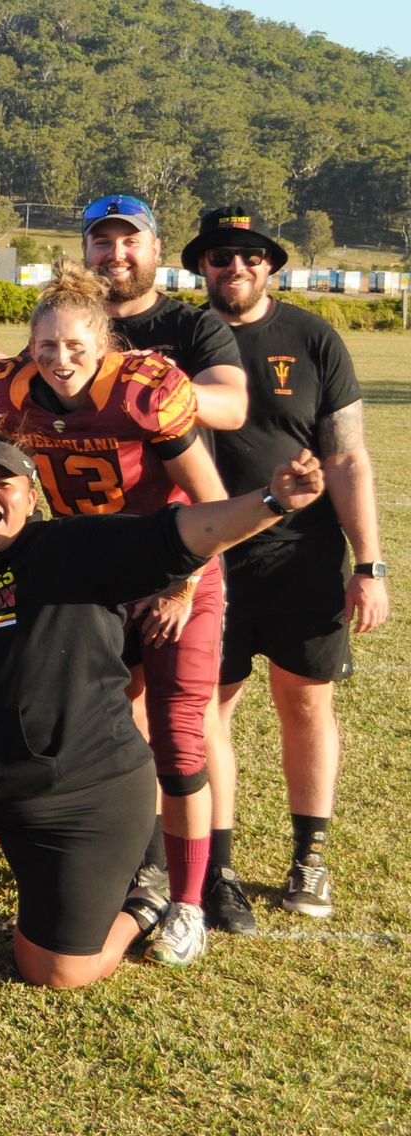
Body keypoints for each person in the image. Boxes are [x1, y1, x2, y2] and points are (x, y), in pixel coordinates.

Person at [0, 435, 327, 989]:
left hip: (77, 797)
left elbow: (184, 535)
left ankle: (144, 905)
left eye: (3, 483)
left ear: (31, 497)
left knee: (56, 971)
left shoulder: (72, 548)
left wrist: (271, 503)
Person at [0, 263, 228, 965]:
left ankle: (188, 903)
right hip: (84, 575)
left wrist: (182, 587)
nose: (59, 361)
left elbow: (213, 503)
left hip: (172, 570)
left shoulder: (145, 390)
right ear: (27, 349)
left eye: (74, 348)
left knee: (179, 736)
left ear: (104, 349)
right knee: (44, 722)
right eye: (46, 348)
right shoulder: (6, 392)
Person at [191, 205, 387, 927]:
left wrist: (370, 564)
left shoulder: (312, 337)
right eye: (219, 257)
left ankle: (310, 856)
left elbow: (347, 456)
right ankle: (219, 866)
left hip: (302, 561)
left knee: (305, 703)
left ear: (270, 265)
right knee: (210, 710)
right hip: (211, 559)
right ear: (201, 268)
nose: (234, 268)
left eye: (248, 256)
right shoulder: (186, 337)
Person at [77, 194, 247, 430]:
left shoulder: (198, 326)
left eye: (131, 241)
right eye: (102, 242)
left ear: (156, 248)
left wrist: (162, 382)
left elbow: (232, 410)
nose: (116, 254)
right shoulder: (68, 326)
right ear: (85, 249)